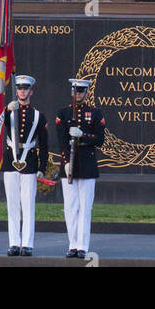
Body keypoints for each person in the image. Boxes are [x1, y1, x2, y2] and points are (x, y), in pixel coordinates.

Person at [56, 78, 104, 259]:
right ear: (71, 92)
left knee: (85, 207)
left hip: (87, 163)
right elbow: (60, 141)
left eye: (81, 91)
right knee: (70, 207)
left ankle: (83, 245)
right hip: (69, 163)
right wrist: (65, 162)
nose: (78, 94)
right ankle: (73, 244)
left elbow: (100, 139)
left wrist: (82, 135)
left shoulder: (95, 113)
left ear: (86, 93)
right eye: (76, 91)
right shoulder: (63, 113)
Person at [3, 75, 48, 257]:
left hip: (29, 161)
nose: (22, 91)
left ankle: (27, 243)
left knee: (28, 204)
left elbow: (43, 145)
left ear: (31, 91)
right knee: (12, 204)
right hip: (10, 161)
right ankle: (14, 243)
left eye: (25, 88)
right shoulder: (9, 112)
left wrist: (42, 167)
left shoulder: (38, 116)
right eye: (19, 88)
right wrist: (6, 110)